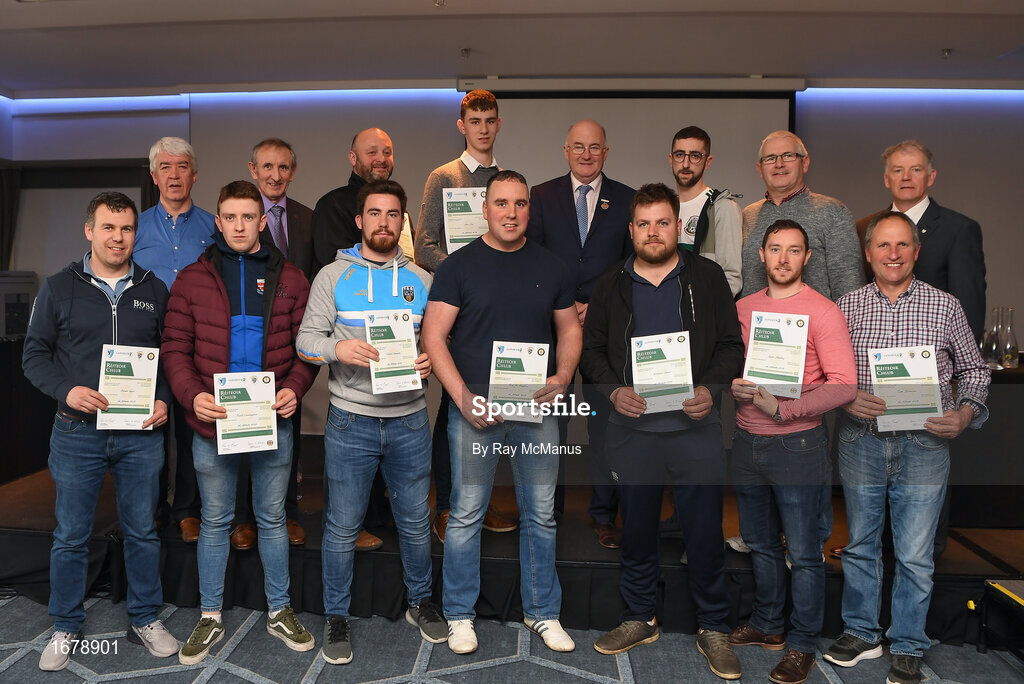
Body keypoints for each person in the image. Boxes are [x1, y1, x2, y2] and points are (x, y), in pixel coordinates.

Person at [581, 183, 744, 680]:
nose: (654, 233)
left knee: (702, 531)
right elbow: (592, 353)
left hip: (693, 427)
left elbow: (731, 346)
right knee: (638, 531)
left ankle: (714, 626)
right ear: (631, 230)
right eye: (644, 224)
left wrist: (710, 389)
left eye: (663, 223)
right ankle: (639, 616)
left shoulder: (707, 277)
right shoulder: (611, 283)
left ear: (679, 227)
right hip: (633, 430)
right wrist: (612, 392)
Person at [824, 212, 990, 684]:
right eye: (883, 245)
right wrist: (847, 395)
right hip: (862, 441)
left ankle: (908, 642)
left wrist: (965, 412)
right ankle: (860, 632)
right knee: (860, 545)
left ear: (916, 252)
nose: (892, 254)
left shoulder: (946, 306)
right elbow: (826, 374)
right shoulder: (846, 307)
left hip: (925, 445)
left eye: (902, 245)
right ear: (868, 252)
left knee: (915, 553)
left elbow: (975, 372)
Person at [421, 170, 581, 655]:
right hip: (475, 411)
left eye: (519, 204)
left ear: (528, 210)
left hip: (535, 409)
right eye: (501, 204)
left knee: (541, 515)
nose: (510, 213)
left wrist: (561, 378)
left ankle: (542, 613)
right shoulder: (458, 267)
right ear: (485, 210)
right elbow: (433, 337)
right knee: (467, 513)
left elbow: (570, 331)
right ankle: (460, 615)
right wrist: (462, 398)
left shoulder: (552, 267)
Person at [162, 181, 317, 665]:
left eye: (248, 217)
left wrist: (295, 387)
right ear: (218, 221)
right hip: (214, 421)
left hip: (272, 420)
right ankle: (210, 616)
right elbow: (174, 350)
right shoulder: (191, 279)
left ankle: (280, 610)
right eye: (229, 217)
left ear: (262, 221)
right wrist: (192, 398)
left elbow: (307, 348)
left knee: (272, 518)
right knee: (215, 521)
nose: (238, 226)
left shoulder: (291, 278)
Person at [23, 192, 179, 671]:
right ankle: (66, 625)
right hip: (77, 432)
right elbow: (33, 356)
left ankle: (146, 617)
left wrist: (164, 400)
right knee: (71, 534)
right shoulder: (57, 288)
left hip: (139, 434)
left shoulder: (154, 290)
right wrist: (67, 390)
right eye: (109, 227)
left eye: (128, 229)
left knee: (142, 532)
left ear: (137, 234)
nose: (119, 237)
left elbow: (171, 359)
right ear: (89, 230)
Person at [296, 180, 445, 665]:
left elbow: (440, 344)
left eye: (393, 214)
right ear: (359, 220)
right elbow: (306, 341)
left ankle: (420, 602)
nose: (384, 222)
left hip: (408, 421)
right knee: (341, 525)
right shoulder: (331, 277)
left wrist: (428, 360)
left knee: (416, 522)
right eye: (374, 213)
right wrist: (338, 348)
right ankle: (335, 616)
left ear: (404, 222)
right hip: (350, 421)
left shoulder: (422, 280)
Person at [727, 219, 856, 684]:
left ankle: (801, 642)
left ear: (807, 258)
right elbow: (727, 365)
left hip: (798, 445)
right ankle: (767, 624)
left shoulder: (823, 311)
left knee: (802, 552)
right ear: (761, 255)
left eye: (794, 251)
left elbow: (843, 385)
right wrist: (733, 385)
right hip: (745, 441)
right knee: (760, 544)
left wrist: (783, 409)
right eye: (775, 249)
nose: (783, 259)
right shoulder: (742, 308)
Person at [526, 118, 635, 549]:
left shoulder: (627, 200)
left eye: (595, 148)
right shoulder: (542, 196)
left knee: (606, 425)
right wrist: (565, 305)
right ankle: (545, 511)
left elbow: (631, 267)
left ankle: (604, 515)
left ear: (606, 152)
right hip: (552, 327)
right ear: (565, 150)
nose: (586, 154)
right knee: (547, 422)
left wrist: (598, 306)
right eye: (578, 147)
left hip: (607, 330)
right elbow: (532, 259)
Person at [415, 89, 516, 542]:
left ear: (498, 124)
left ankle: (480, 499)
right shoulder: (442, 177)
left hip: (500, 309)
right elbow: (423, 246)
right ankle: (449, 505)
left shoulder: (509, 180)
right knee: (455, 402)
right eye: (474, 120)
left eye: (489, 119)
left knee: (493, 402)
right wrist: (467, 274)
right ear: (462, 125)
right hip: (458, 307)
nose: (482, 127)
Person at [228, 137, 314, 549]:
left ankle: (287, 513)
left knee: (287, 429)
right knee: (241, 434)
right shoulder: (235, 218)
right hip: (243, 342)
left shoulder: (307, 219)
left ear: (292, 172)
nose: (275, 175)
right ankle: (244, 519)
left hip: (288, 338)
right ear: (253, 169)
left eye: (283, 167)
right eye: (267, 167)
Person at [134, 136, 217, 543]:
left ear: (194, 174)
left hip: (194, 346)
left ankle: (187, 510)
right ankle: (153, 510)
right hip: (144, 344)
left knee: (189, 431)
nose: (173, 174)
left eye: (181, 166)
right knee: (148, 429)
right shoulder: (136, 227)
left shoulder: (212, 226)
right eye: (164, 167)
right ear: (154, 176)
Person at [856, 140, 986, 341]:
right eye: (898, 170)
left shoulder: (959, 229)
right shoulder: (864, 227)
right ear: (887, 179)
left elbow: (969, 307)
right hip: (876, 354)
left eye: (915, 169)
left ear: (931, 177)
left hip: (936, 358)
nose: (906, 177)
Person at [741, 131, 864, 301]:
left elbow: (849, 286)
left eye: (788, 156)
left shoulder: (833, 212)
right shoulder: (747, 216)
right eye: (770, 158)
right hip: (755, 324)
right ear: (760, 169)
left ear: (805, 163)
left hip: (814, 325)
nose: (779, 164)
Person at [312, 128, 415, 273]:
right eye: (372, 152)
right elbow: (336, 267)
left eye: (387, 153)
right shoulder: (332, 205)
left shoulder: (401, 211)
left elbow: (410, 261)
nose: (381, 159)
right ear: (353, 158)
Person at [670, 125, 743, 297]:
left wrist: (704, 314)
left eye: (695, 156)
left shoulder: (722, 208)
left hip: (704, 315)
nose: (686, 164)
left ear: (708, 162)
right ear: (671, 159)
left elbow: (731, 279)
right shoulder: (664, 208)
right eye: (679, 155)